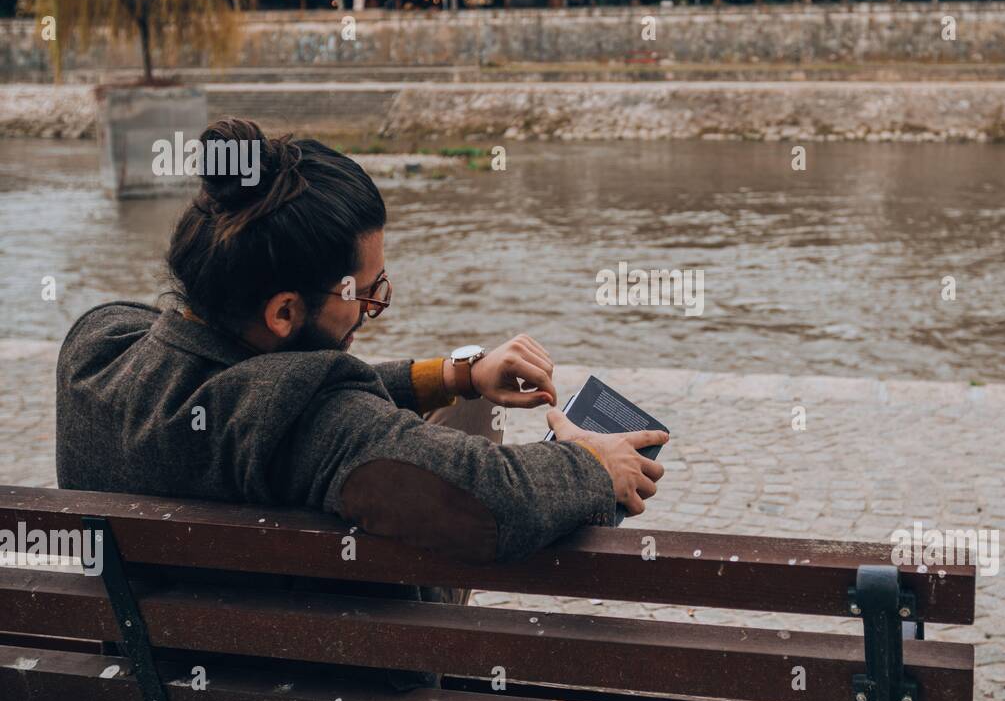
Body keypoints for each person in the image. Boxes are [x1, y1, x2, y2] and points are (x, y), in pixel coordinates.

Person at [56, 118, 668, 572]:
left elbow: (264, 390)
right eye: (365, 293)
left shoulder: (96, 346)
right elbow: (490, 504)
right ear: (284, 312)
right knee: (470, 432)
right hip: (317, 692)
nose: (372, 310)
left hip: (155, 679)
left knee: (464, 409)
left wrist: (456, 375)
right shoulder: (310, 419)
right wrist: (591, 464)